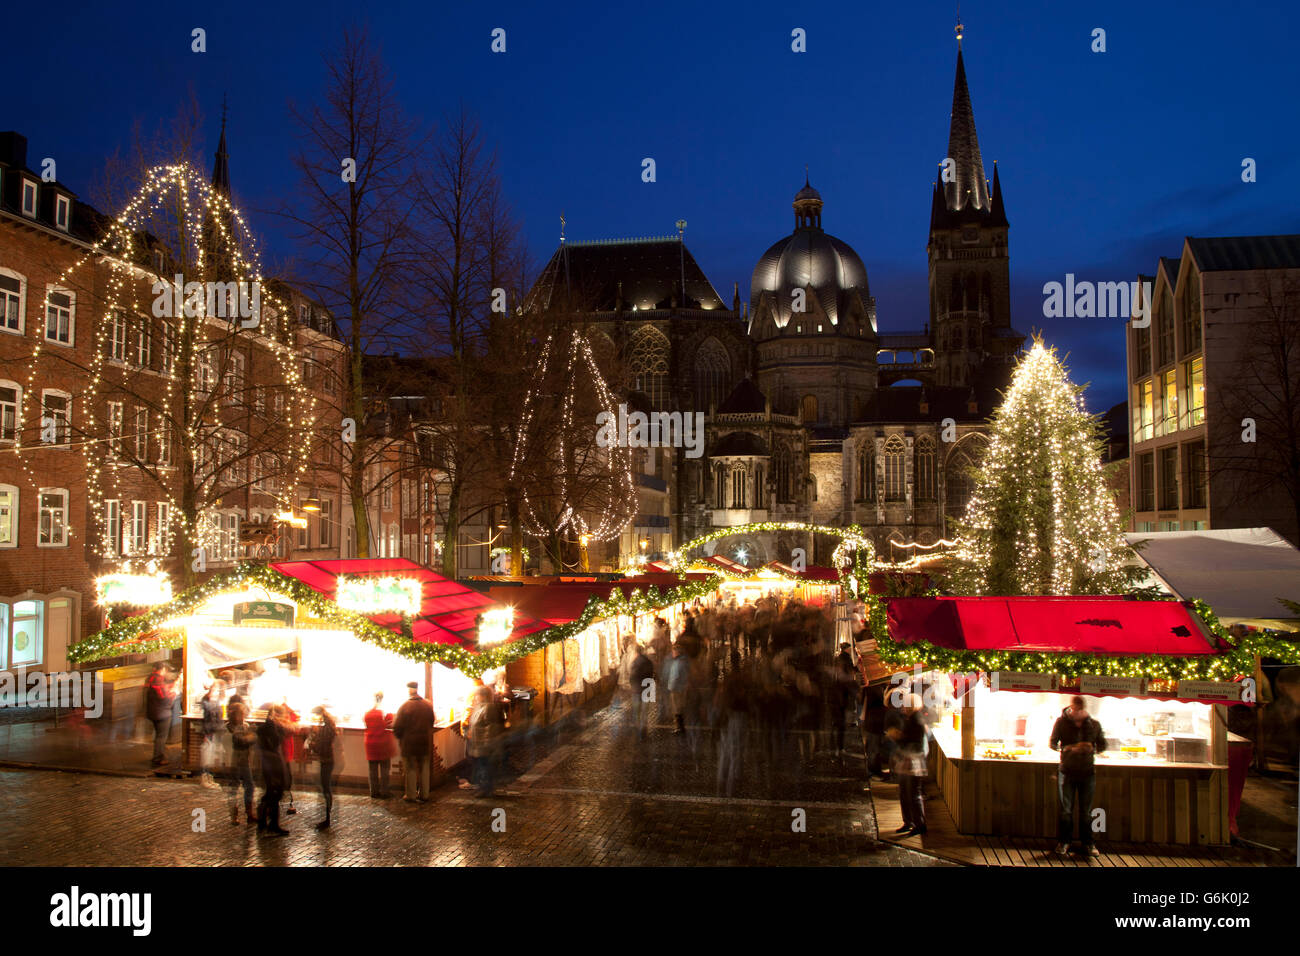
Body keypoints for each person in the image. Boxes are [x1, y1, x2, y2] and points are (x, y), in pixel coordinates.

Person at [1050, 695, 1107, 857]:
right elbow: (1053, 743)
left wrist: (1092, 749)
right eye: (1075, 708)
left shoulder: (1094, 725)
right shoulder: (1061, 723)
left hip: (1087, 772)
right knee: (1066, 810)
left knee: (1086, 811)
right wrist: (1070, 749)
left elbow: (1102, 745)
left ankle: (1088, 843)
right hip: (1067, 771)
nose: (1077, 711)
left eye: (1080, 708)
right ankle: (1065, 842)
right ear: (1071, 707)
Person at [887, 694, 929, 836]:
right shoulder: (912, 718)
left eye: (905, 704)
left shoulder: (916, 720)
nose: (903, 707)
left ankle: (918, 823)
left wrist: (898, 738)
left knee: (912, 794)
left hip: (913, 762)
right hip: (909, 761)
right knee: (906, 793)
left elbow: (914, 743)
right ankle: (910, 822)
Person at [393, 682, 436, 802]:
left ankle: (411, 794)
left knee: (410, 769)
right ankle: (424, 794)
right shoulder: (427, 705)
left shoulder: (405, 706)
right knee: (424, 768)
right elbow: (432, 722)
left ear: (409, 690)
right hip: (424, 742)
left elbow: (397, 727)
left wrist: (400, 737)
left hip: (409, 744)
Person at [256, 706, 291, 836]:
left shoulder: (268, 727)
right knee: (274, 792)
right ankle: (270, 823)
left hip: (271, 762)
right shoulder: (270, 728)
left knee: (272, 792)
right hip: (272, 763)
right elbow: (274, 743)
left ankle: (265, 821)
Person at [308, 705, 339, 830]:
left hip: (326, 759)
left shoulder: (325, 728)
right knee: (325, 787)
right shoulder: (329, 725)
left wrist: (312, 744)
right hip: (328, 759)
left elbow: (322, 745)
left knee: (325, 787)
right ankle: (326, 816)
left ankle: (326, 817)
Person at [226, 700, 257, 825]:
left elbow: (252, 739)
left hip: (245, 760)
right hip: (233, 761)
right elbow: (240, 740)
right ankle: (234, 815)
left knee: (249, 786)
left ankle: (249, 813)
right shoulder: (229, 728)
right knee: (234, 788)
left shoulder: (245, 725)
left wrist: (249, 737)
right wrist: (248, 737)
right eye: (241, 714)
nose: (243, 716)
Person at [363, 692, 395, 799]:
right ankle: (385, 791)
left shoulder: (367, 713)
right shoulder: (384, 712)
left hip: (370, 744)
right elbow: (390, 724)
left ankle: (374, 791)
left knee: (372, 770)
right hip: (383, 744)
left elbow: (366, 725)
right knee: (384, 769)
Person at [145, 663, 177, 767]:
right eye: (166, 670)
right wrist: (173, 693)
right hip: (161, 712)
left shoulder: (150, 678)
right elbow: (164, 696)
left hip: (153, 711)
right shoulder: (157, 680)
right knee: (161, 737)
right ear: (163, 669)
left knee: (159, 736)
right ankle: (158, 758)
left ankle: (160, 755)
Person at [198, 680, 225, 788]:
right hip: (208, 731)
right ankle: (204, 779)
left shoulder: (216, 701)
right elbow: (208, 716)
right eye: (214, 689)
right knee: (206, 756)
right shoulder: (206, 701)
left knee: (212, 756)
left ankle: (210, 777)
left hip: (215, 731)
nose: (216, 692)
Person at [628, 641, 655, 740]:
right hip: (647, 689)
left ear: (636, 652)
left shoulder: (635, 662)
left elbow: (632, 676)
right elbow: (652, 675)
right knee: (644, 712)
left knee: (637, 711)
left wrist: (632, 685)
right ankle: (643, 731)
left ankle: (638, 730)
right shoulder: (648, 661)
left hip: (637, 690)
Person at [665, 642, 690, 735]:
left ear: (678, 652)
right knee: (679, 708)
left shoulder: (678, 663)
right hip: (681, 688)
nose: (672, 653)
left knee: (677, 708)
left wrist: (671, 687)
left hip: (676, 689)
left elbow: (675, 677)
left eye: (674, 651)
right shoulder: (684, 662)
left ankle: (679, 728)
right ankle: (680, 727)